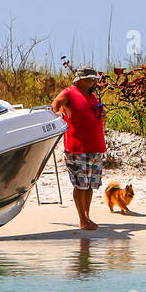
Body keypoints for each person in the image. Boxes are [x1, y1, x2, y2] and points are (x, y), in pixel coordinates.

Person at [51, 67, 107, 230]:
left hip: (95, 147)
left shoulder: (92, 95)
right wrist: (58, 117)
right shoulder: (68, 93)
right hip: (77, 148)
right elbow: (53, 107)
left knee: (90, 185)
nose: (94, 82)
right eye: (91, 79)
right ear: (81, 80)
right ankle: (82, 219)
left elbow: (95, 114)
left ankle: (87, 217)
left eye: (94, 79)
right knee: (80, 184)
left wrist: (102, 116)